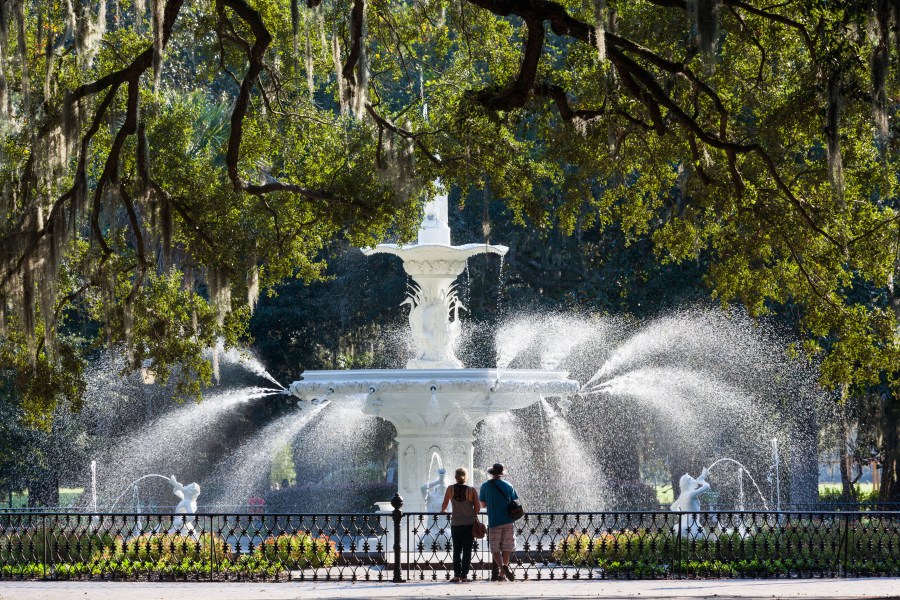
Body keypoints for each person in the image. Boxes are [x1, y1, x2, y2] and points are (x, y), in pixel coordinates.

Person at [479, 463, 518, 582]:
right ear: (502, 474)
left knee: (495, 549)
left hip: (494, 521)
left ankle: (502, 567)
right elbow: (513, 501)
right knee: (506, 548)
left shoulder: (485, 486)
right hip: (508, 521)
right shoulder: (509, 485)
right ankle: (502, 575)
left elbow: (483, 504)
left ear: (492, 473)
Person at [441, 467, 479, 583]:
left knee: (457, 550)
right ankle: (464, 576)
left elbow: (443, 507)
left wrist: (446, 512)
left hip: (456, 524)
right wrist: (471, 513)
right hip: (469, 524)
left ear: (455, 477)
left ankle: (457, 575)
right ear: (466, 477)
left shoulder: (450, 489)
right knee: (467, 550)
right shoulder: (471, 490)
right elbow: (478, 508)